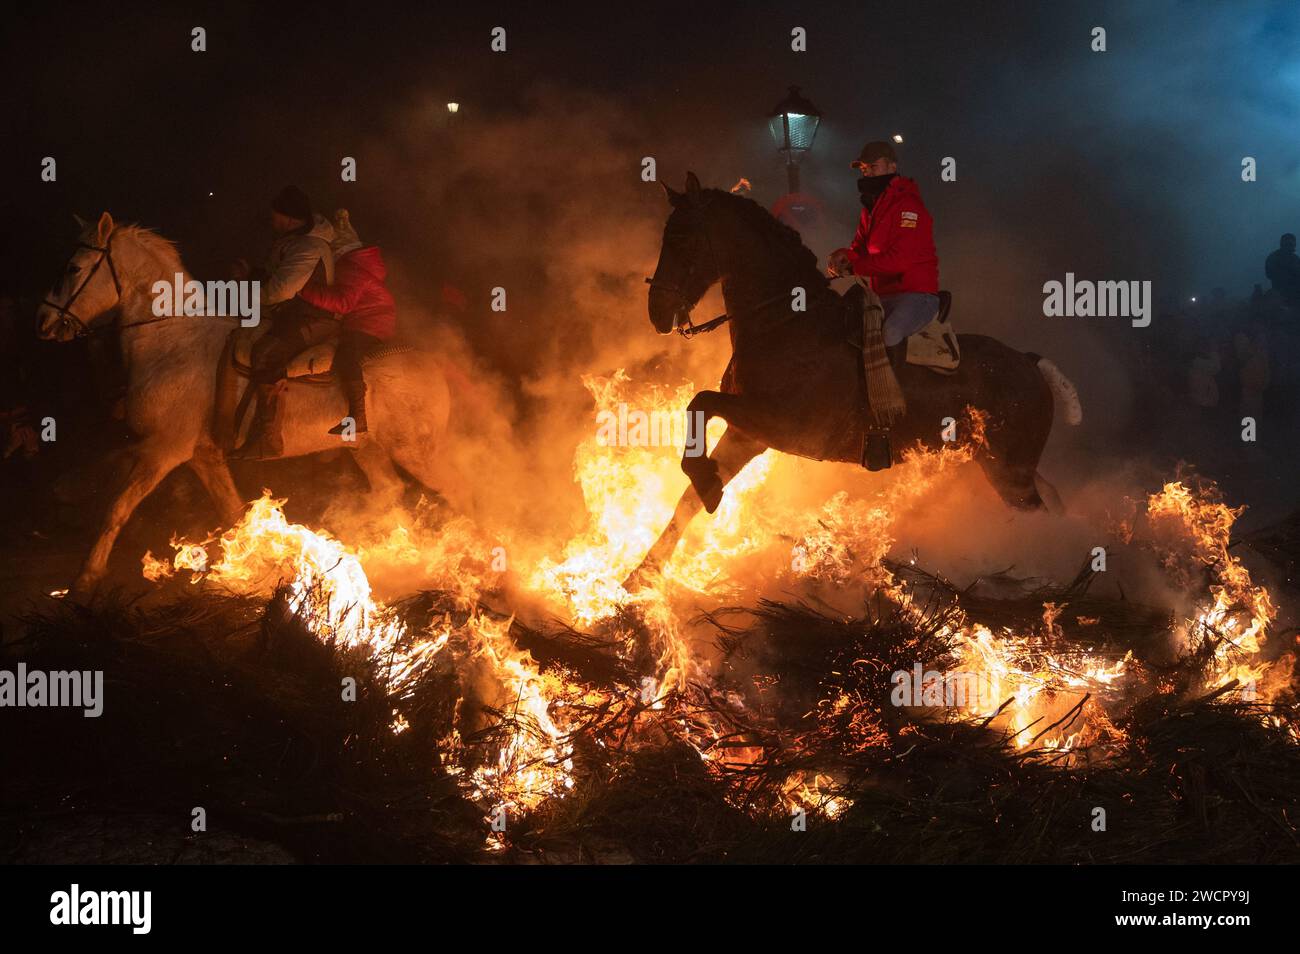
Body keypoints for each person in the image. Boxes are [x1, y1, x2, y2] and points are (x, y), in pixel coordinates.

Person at [229, 186, 337, 460]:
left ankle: (268, 439)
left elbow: (280, 290)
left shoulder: (310, 247)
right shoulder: (291, 241)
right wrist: (251, 274)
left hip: (312, 318)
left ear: (289, 217)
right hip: (289, 315)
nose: (272, 219)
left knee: (266, 353)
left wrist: (243, 290)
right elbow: (273, 274)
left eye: (276, 215)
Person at [828, 140, 940, 347]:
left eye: (873, 167)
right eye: (863, 168)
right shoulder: (870, 209)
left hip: (916, 296)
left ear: (892, 167)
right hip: (883, 296)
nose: (867, 173)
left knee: (890, 333)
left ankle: (898, 381)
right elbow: (860, 250)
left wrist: (855, 266)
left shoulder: (908, 206)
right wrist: (845, 256)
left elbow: (900, 261)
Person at [296, 212, 397, 436]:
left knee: (346, 355)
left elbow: (341, 303)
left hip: (369, 322)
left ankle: (357, 416)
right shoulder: (356, 266)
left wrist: (302, 289)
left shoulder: (349, 268)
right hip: (371, 319)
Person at [1265, 233, 1300, 310]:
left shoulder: (1296, 259)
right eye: (1287, 244)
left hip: (1295, 293)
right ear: (1282, 244)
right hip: (1279, 293)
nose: (1289, 246)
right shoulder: (1274, 257)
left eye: (1291, 244)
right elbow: (1269, 274)